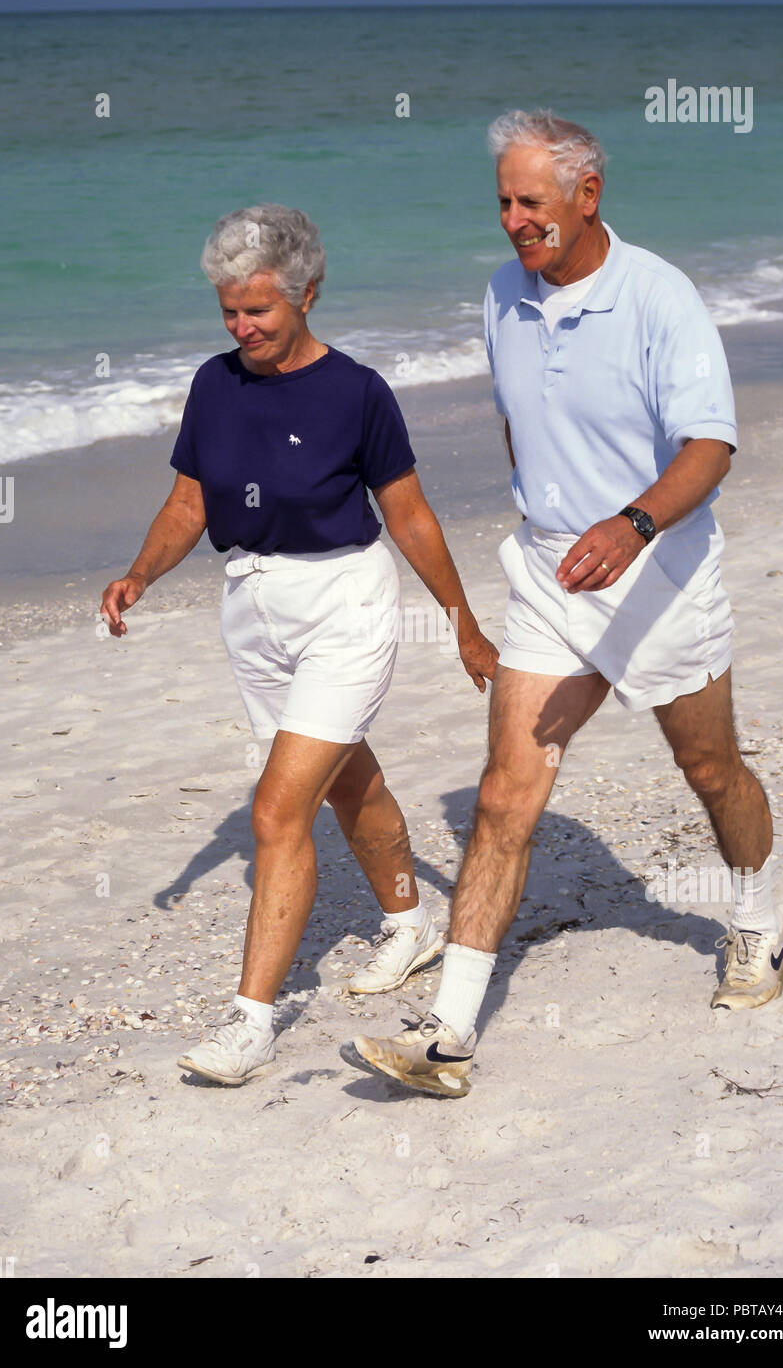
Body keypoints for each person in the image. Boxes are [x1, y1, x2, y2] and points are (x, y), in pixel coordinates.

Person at [353, 109, 783, 1098]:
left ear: (586, 195)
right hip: (549, 578)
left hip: (658, 572)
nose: (514, 220)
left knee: (708, 767)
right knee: (506, 795)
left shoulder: (657, 297)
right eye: (503, 201)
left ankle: (759, 926)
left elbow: (709, 447)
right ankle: (449, 1034)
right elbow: (523, 423)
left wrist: (628, 525)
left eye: (531, 201)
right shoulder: (499, 296)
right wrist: (554, 522)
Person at [100, 203, 497, 1086]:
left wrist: (465, 623)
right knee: (344, 775)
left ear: (306, 295)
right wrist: (138, 575)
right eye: (229, 312)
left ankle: (249, 1022)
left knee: (279, 810)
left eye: (259, 312)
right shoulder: (214, 383)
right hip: (251, 609)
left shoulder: (356, 392)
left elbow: (409, 515)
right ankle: (408, 921)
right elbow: (188, 504)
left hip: (344, 605)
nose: (243, 328)